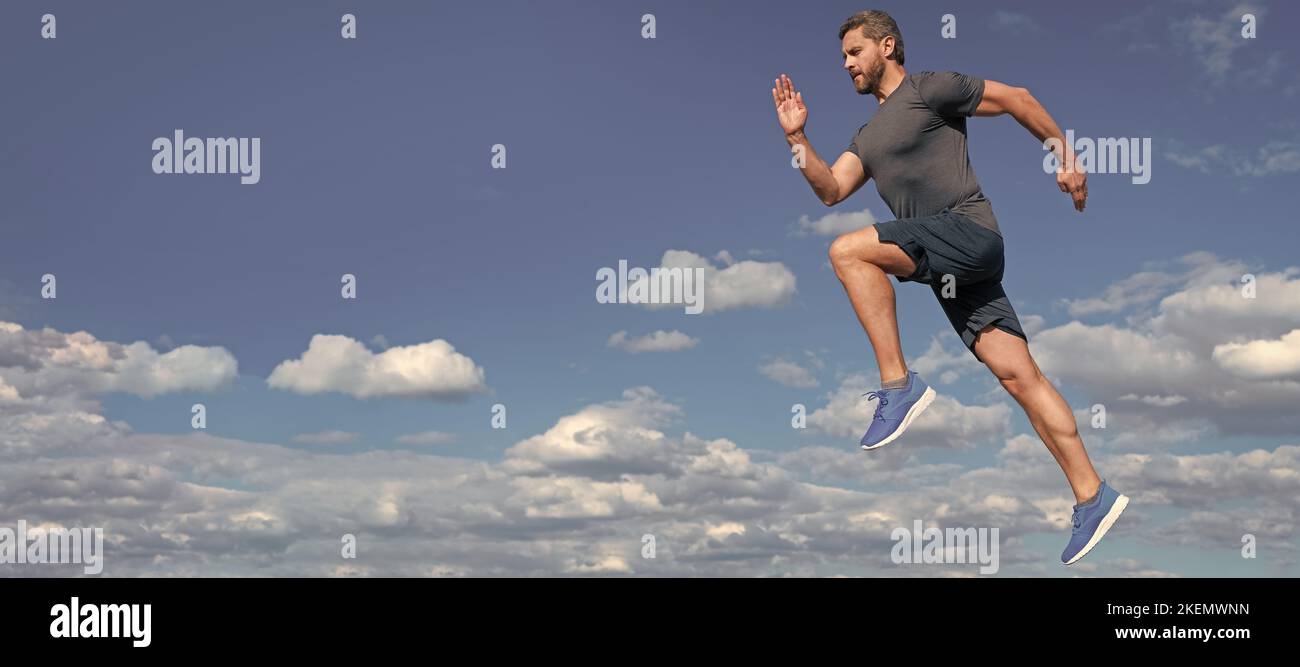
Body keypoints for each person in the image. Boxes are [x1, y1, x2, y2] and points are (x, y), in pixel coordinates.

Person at [772, 9, 1127, 565]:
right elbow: (831, 189)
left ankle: (898, 385)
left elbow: (1018, 98)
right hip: (951, 268)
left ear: (886, 46)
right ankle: (1092, 493)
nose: (846, 65)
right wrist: (798, 139)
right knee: (1018, 375)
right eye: (842, 57)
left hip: (967, 232)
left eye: (853, 53)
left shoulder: (930, 89)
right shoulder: (865, 137)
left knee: (846, 251)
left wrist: (1065, 153)